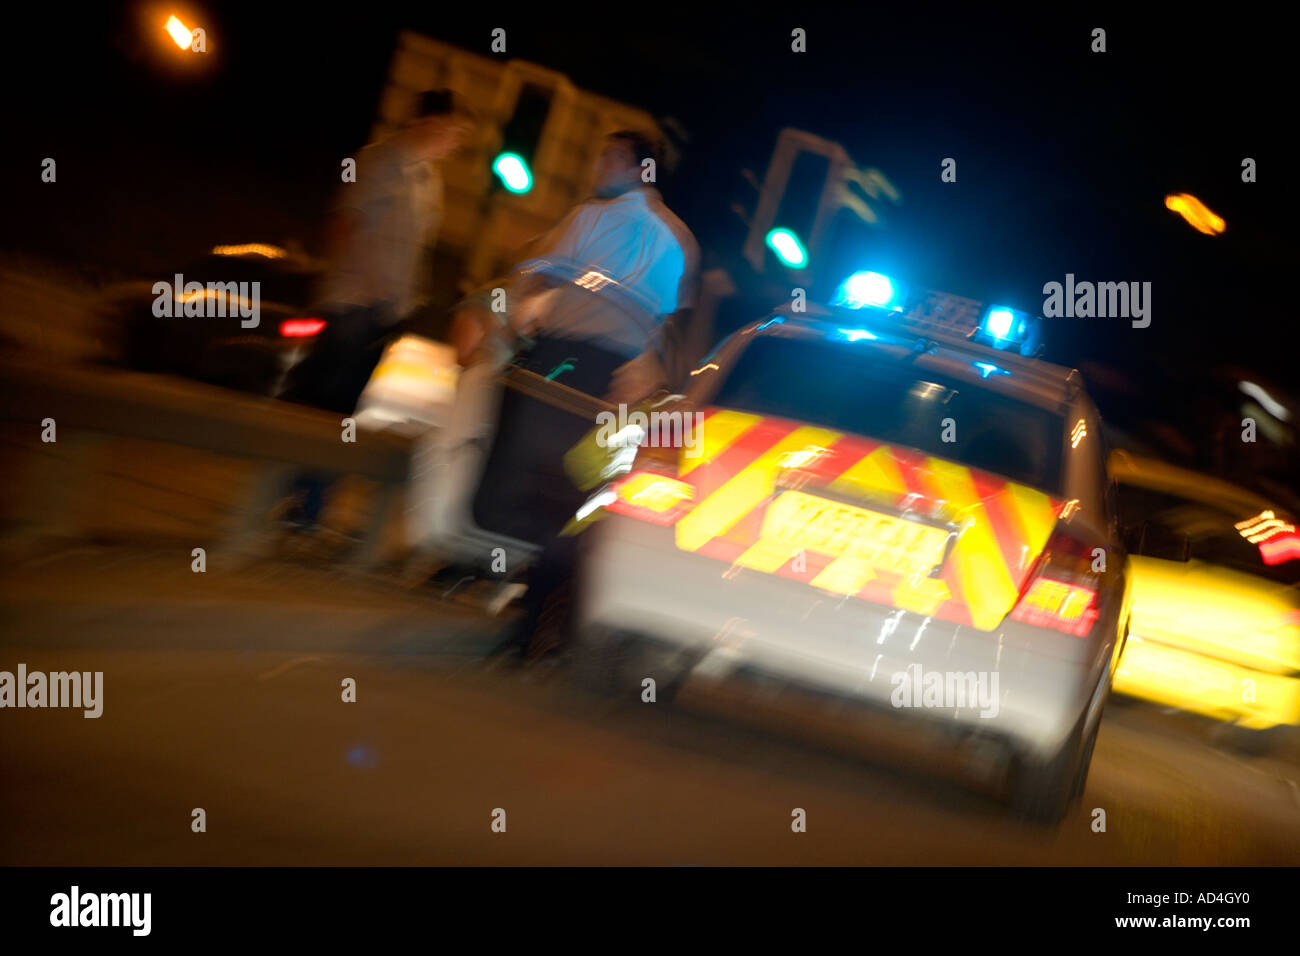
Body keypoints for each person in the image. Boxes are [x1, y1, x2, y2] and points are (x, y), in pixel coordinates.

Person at [471, 129, 700, 657]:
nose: (599, 164)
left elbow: (537, 277)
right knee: (575, 501)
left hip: (560, 367)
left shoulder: (589, 217)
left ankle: (531, 618)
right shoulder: (677, 238)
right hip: (614, 384)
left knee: (527, 483)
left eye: (612, 157)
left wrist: (508, 325)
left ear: (641, 169)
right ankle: (548, 618)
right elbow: (664, 321)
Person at [282, 89, 475, 532]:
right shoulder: (376, 163)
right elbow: (344, 226)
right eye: (453, 130)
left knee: (347, 410)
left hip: (386, 315)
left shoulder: (429, 181)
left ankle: (310, 505)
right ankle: (295, 496)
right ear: (427, 123)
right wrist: (357, 288)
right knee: (322, 407)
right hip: (352, 305)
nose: (456, 142)